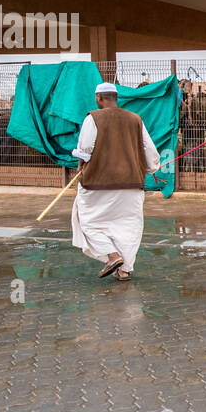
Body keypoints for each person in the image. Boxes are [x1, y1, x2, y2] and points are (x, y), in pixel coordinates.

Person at [71, 83, 161, 281]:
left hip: (97, 184)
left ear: (99, 98)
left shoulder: (92, 118)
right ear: (115, 97)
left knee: (87, 221)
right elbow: (149, 150)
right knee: (128, 226)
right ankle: (124, 270)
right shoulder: (135, 119)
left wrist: (80, 167)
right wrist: (151, 168)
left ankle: (112, 256)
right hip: (131, 185)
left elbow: (85, 150)